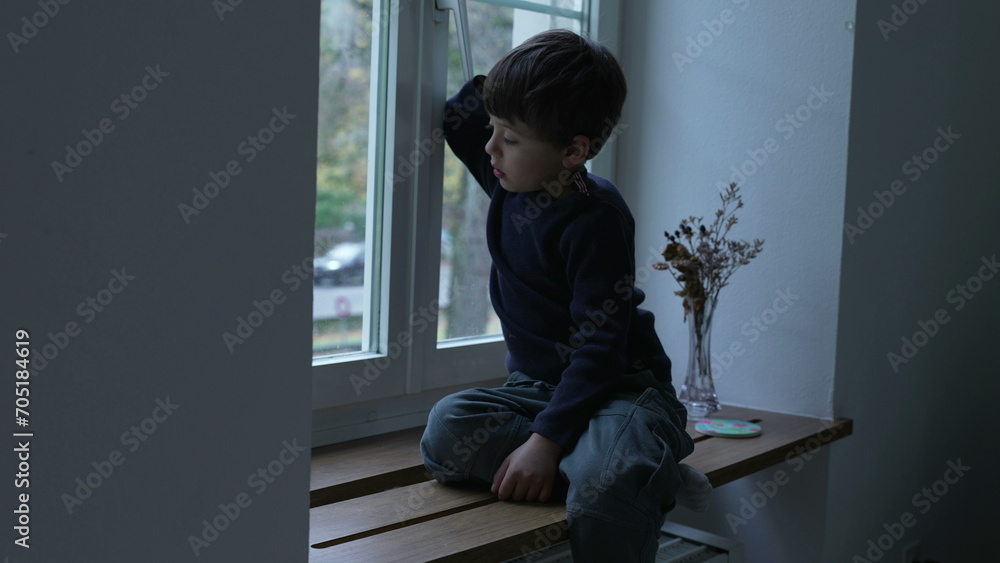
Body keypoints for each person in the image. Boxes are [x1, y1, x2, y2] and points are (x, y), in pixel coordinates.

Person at [420, 29, 711, 562]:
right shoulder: (516, 178)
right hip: (540, 389)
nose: (490, 149)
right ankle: (636, 474)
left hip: (621, 389)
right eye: (495, 129)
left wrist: (546, 441)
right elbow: (462, 119)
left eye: (508, 137)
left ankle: (626, 467)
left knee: (605, 485)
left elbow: (600, 352)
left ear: (574, 151)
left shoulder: (594, 216)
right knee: (446, 429)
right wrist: (506, 87)